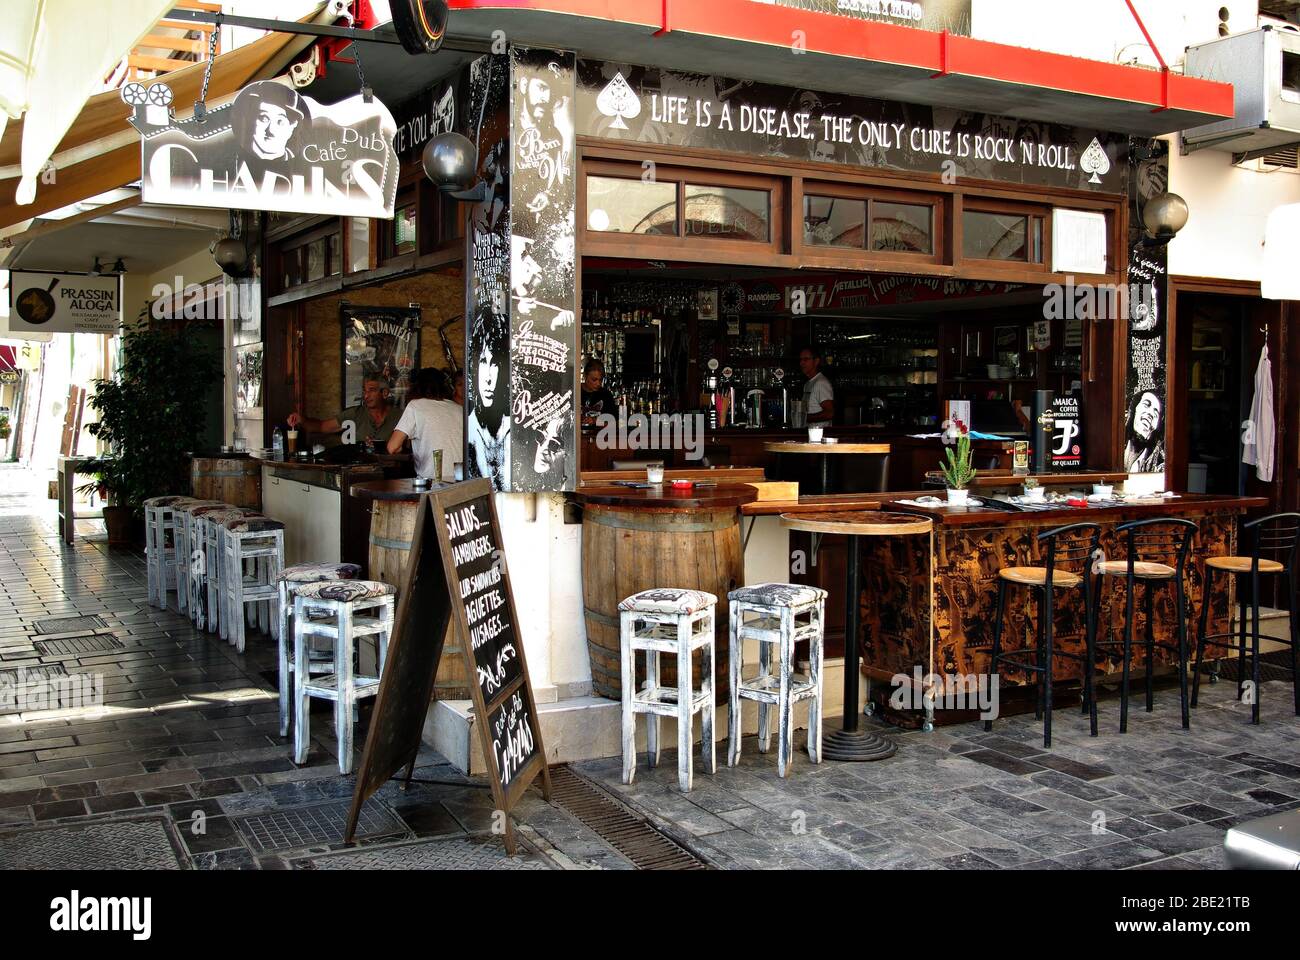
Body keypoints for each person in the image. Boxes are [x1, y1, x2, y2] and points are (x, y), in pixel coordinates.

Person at [388, 368, 462, 481]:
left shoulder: (415, 406)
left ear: (415, 387)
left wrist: (400, 447)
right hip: (462, 481)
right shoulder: (458, 409)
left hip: (433, 483)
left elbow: (392, 447)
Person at [231, 82, 311, 187]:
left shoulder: (301, 166)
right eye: (264, 118)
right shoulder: (231, 159)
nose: (270, 130)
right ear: (250, 119)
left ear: (293, 126)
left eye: (280, 121)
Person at [288, 373, 400, 445]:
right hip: (360, 474)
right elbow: (322, 427)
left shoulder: (400, 416)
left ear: (385, 393)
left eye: (371, 390)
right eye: (364, 391)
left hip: (393, 476)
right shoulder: (355, 414)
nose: (366, 396)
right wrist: (302, 420)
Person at [467, 308, 511, 488]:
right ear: (474, 367)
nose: (488, 378)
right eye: (483, 362)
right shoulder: (470, 435)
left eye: (495, 364)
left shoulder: (514, 430)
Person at [1124, 388, 1165, 473]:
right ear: (1134, 409)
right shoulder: (1113, 449)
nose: (1150, 413)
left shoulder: (1158, 466)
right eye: (1146, 404)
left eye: (1156, 413)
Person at [799, 345, 834, 424]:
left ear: (816, 361)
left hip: (819, 435)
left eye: (806, 359)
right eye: (800, 359)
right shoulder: (808, 384)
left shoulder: (821, 383)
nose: (801, 363)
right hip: (811, 433)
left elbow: (829, 413)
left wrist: (806, 418)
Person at [580, 358, 617, 427]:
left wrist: (595, 421)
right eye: (594, 380)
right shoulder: (575, 392)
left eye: (600, 380)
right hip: (577, 436)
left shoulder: (606, 395)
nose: (598, 383)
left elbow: (614, 422)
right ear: (585, 376)